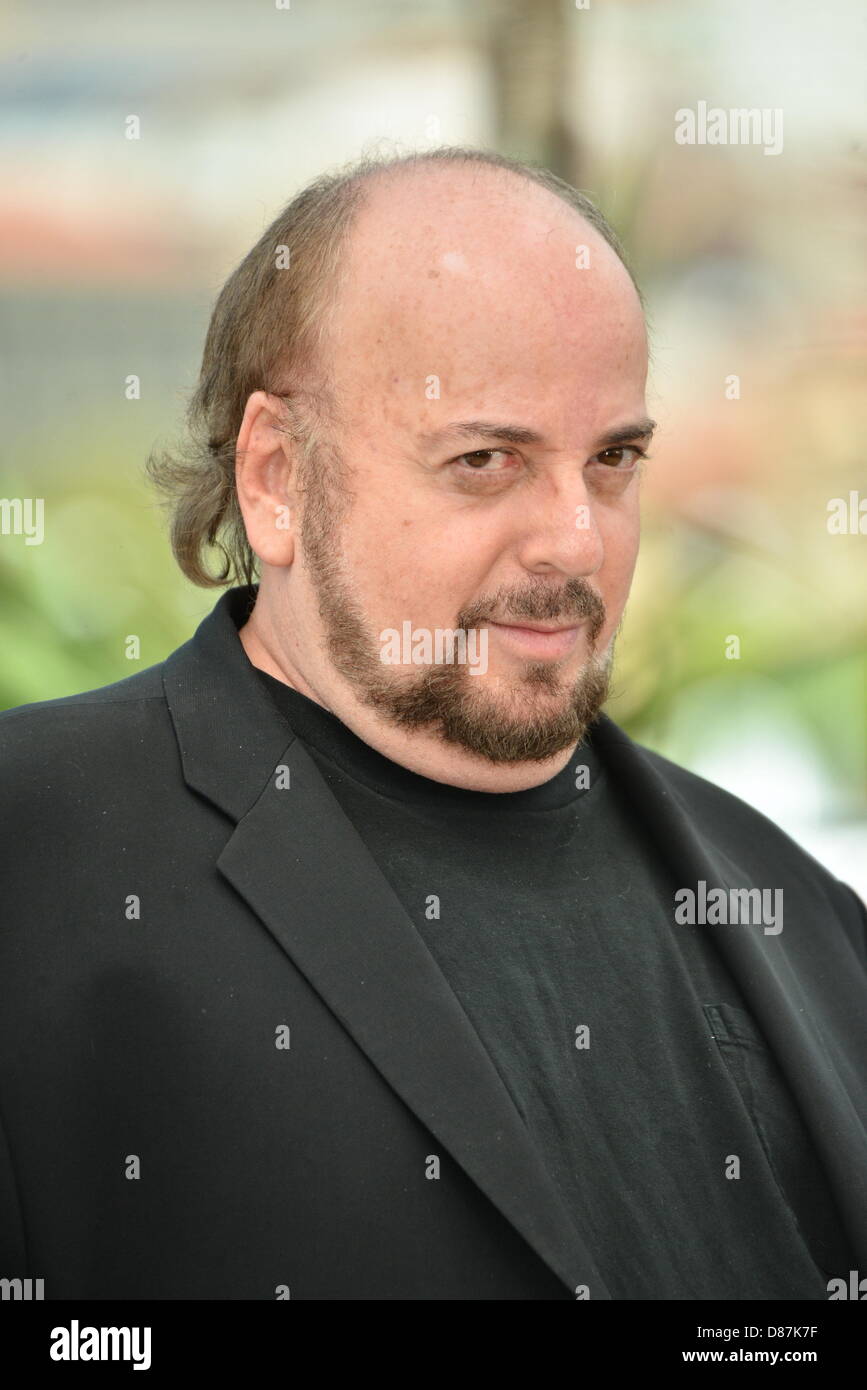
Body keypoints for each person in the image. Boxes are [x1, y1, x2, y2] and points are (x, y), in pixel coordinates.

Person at [1, 148, 865, 1301]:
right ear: (275, 479)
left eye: (612, 459)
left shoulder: (799, 916)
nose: (576, 537)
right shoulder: (35, 860)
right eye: (486, 460)